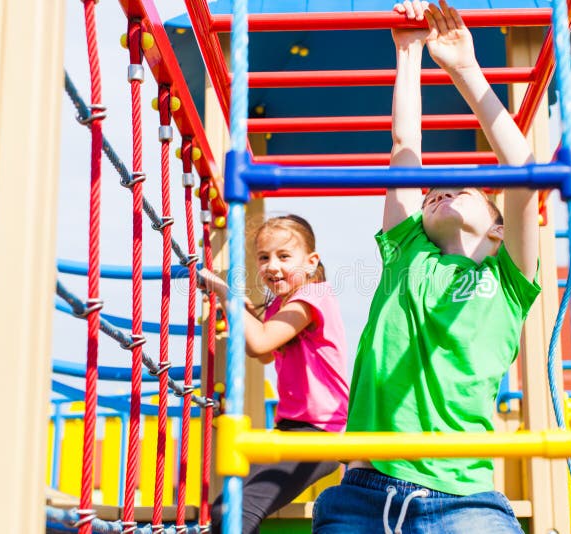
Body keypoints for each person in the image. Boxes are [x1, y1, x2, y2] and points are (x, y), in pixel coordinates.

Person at [312, 1, 540, 533]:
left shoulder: (506, 281)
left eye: (463, 188)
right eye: (432, 191)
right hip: (365, 492)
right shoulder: (408, 250)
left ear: (498, 226)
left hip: (462, 497)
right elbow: (404, 148)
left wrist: (464, 70)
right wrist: (408, 53)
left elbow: (526, 170)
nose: (441, 191)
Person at [197, 214, 350, 534]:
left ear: (311, 262)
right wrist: (245, 311)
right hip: (290, 431)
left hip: (321, 434)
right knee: (226, 505)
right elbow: (265, 352)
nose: (272, 266)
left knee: (240, 509)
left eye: (284, 256)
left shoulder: (312, 297)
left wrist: (226, 295)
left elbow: (262, 340)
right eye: (264, 257)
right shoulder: (279, 306)